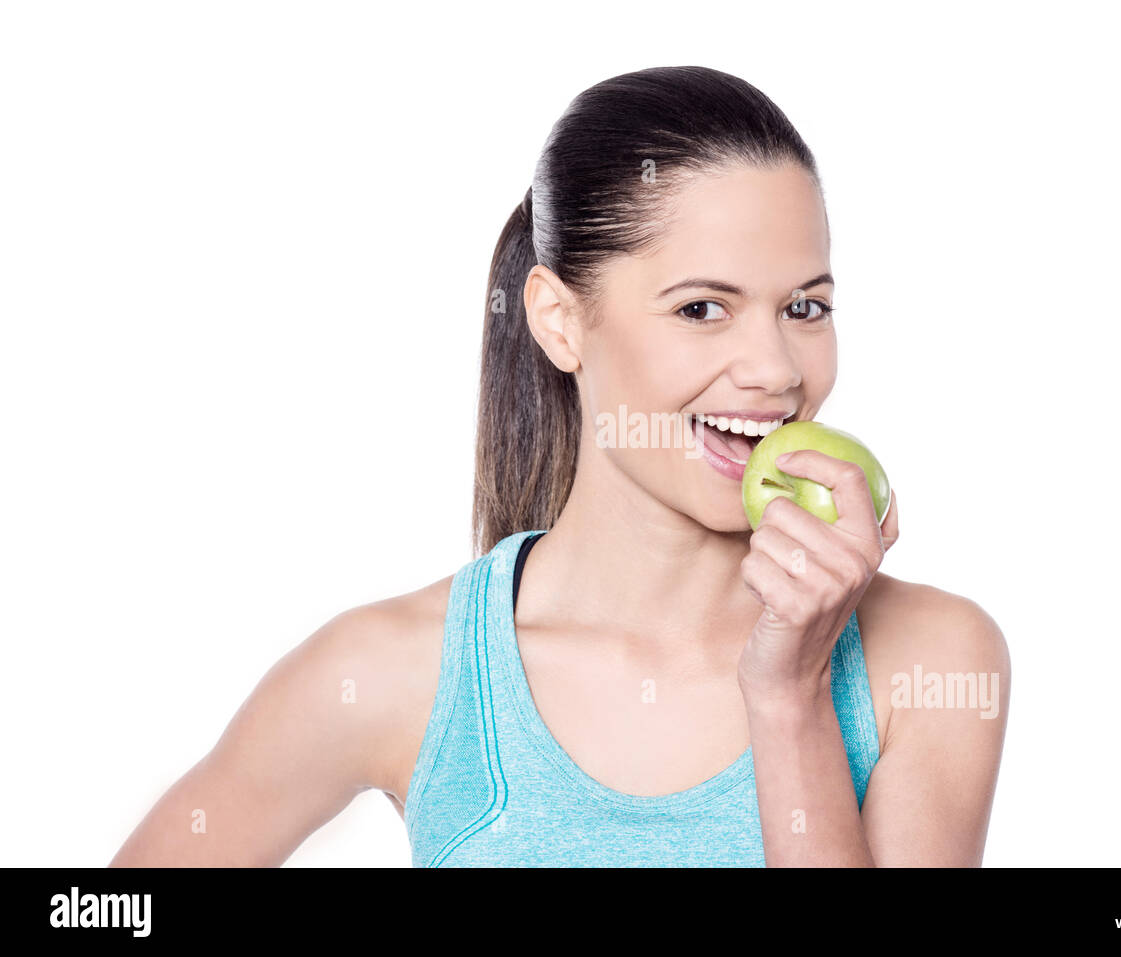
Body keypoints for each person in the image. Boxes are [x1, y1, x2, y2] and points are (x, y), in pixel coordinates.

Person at [111, 66, 1009, 868]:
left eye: (804, 307)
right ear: (559, 320)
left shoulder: (928, 660)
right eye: (702, 308)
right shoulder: (397, 672)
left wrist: (790, 695)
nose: (776, 369)